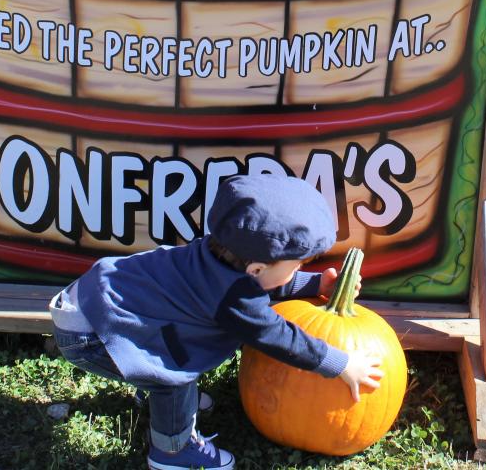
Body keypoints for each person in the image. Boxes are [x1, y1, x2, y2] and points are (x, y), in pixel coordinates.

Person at [49, 175, 383, 470]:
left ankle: (161, 400)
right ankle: (171, 451)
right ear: (255, 268)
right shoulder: (233, 299)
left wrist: (314, 285)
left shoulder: (218, 255)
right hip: (92, 334)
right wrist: (340, 364)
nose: (297, 271)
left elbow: (265, 281)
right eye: (296, 266)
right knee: (172, 375)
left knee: (171, 354)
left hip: (95, 303)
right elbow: (282, 339)